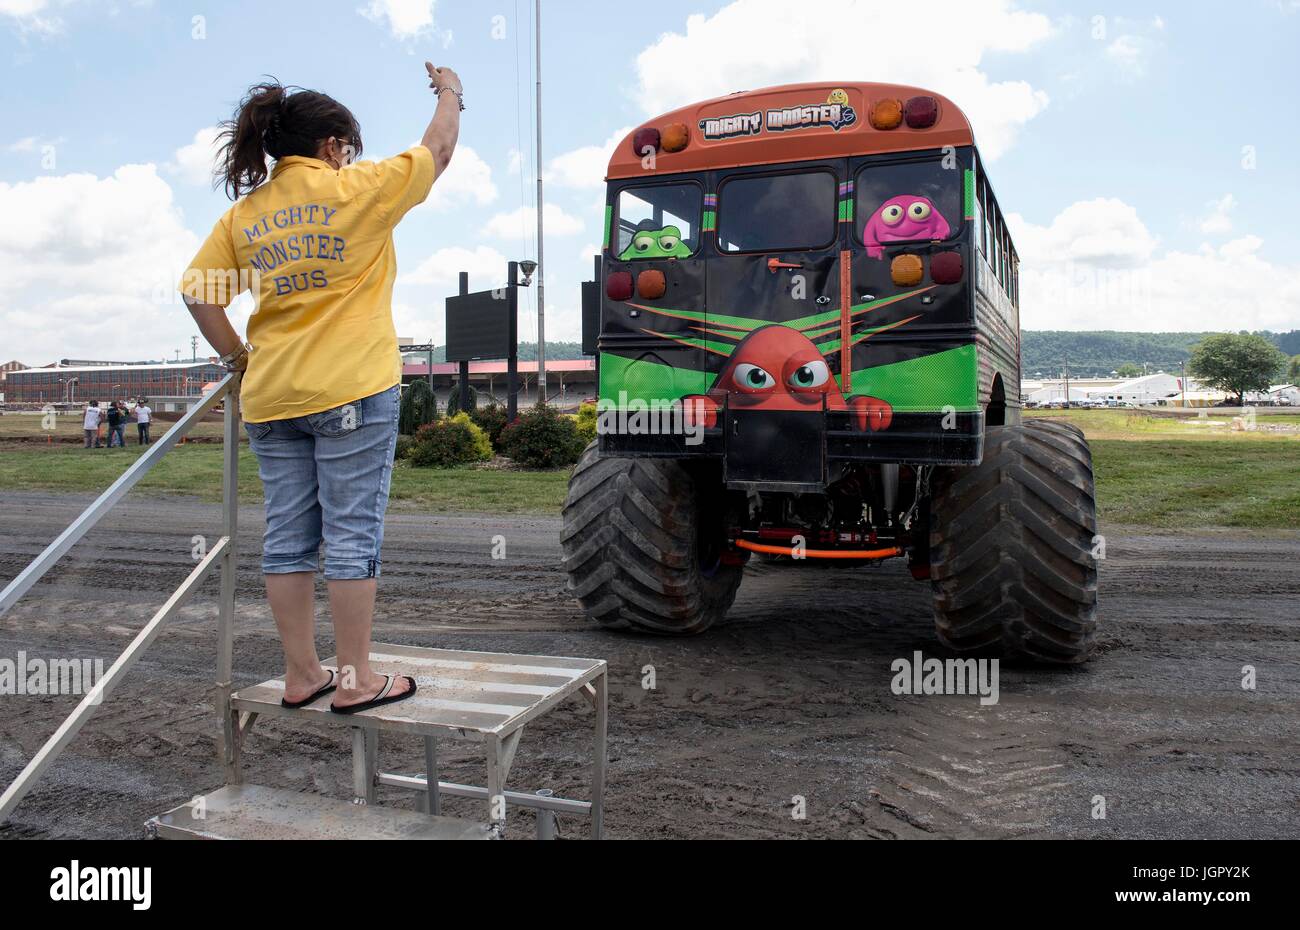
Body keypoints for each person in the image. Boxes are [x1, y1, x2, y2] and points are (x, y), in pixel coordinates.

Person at [179, 64, 462, 714]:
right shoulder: (357, 189)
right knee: (353, 533)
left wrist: (238, 358)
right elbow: (439, 148)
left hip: (273, 396)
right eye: (348, 149)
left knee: (288, 536)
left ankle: (304, 674)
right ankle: (358, 679)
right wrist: (450, 90)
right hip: (350, 390)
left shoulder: (245, 217)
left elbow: (199, 294)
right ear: (333, 146)